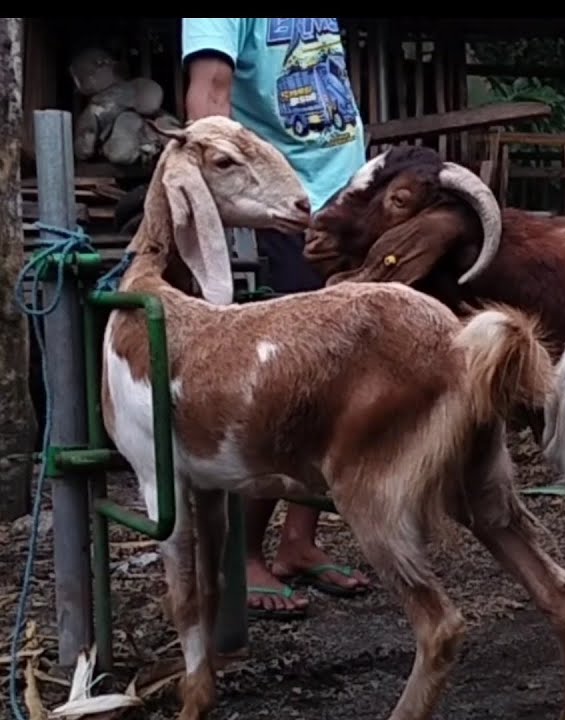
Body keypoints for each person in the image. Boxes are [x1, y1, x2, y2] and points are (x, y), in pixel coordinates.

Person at [181, 18, 371, 619]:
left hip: (348, 201)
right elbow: (209, 99)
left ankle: (298, 542)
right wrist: (250, 210)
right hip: (286, 209)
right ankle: (243, 554)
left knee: (339, 386)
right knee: (287, 389)